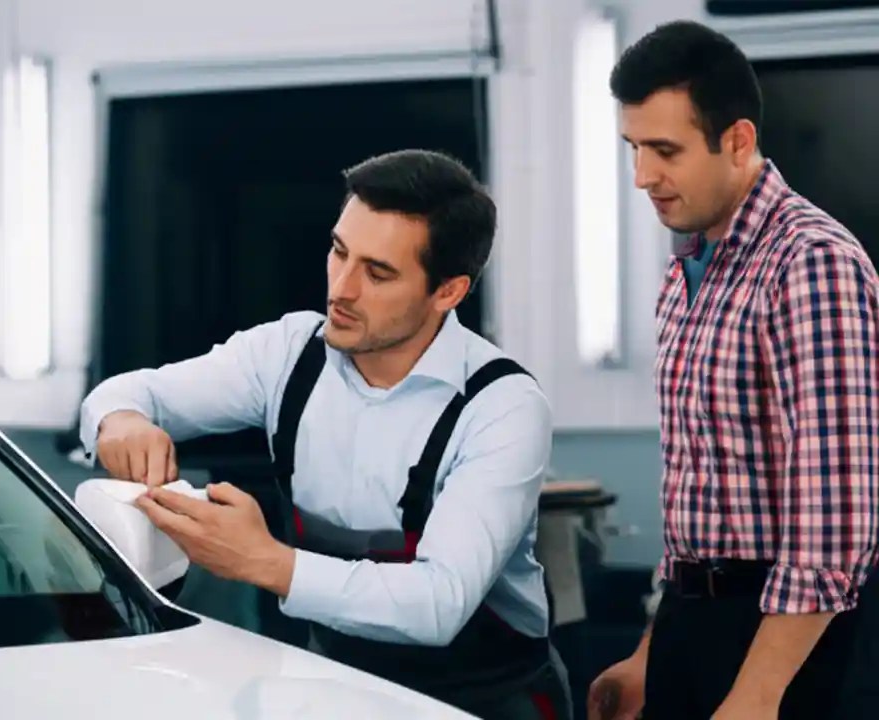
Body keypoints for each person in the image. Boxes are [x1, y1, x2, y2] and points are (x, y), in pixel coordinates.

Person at [79, 149, 570, 719]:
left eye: (378, 272)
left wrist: (264, 561)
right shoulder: (287, 354)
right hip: (337, 684)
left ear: (448, 292)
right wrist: (122, 422)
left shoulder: (502, 406)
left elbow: (440, 603)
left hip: (487, 698)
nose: (342, 288)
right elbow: (125, 395)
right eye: (339, 252)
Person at [587, 20, 879, 720]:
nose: (641, 177)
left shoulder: (811, 263)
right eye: (633, 148)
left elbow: (836, 520)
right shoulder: (690, 265)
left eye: (664, 150)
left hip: (784, 644)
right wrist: (653, 657)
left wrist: (758, 693)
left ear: (738, 141)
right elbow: (703, 502)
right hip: (696, 627)